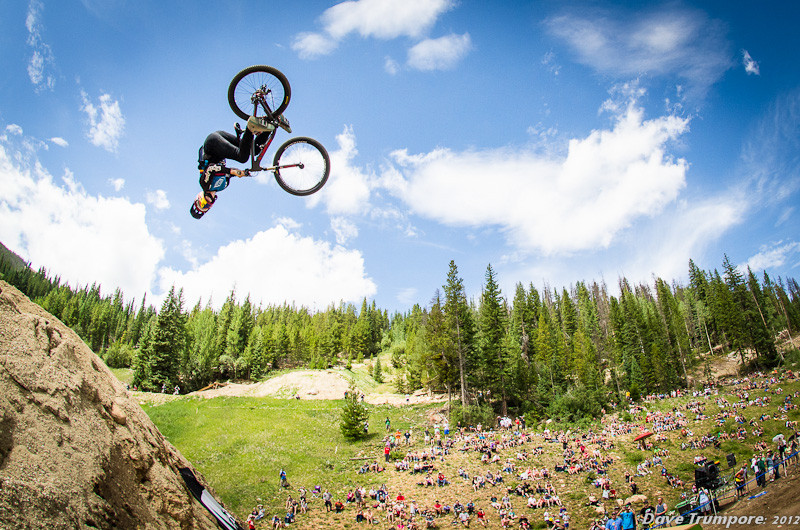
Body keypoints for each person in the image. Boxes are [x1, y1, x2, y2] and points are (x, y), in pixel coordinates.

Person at [191, 116, 274, 218]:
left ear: (200, 198)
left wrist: (231, 171)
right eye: (207, 206)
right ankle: (270, 125)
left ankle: (250, 127)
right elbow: (229, 174)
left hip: (212, 144)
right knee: (253, 151)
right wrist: (243, 173)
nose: (208, 203)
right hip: (219, 143)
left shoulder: (204, 184)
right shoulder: (222, 186)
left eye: (203, 204)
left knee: (242, 158)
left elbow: (212, 168)